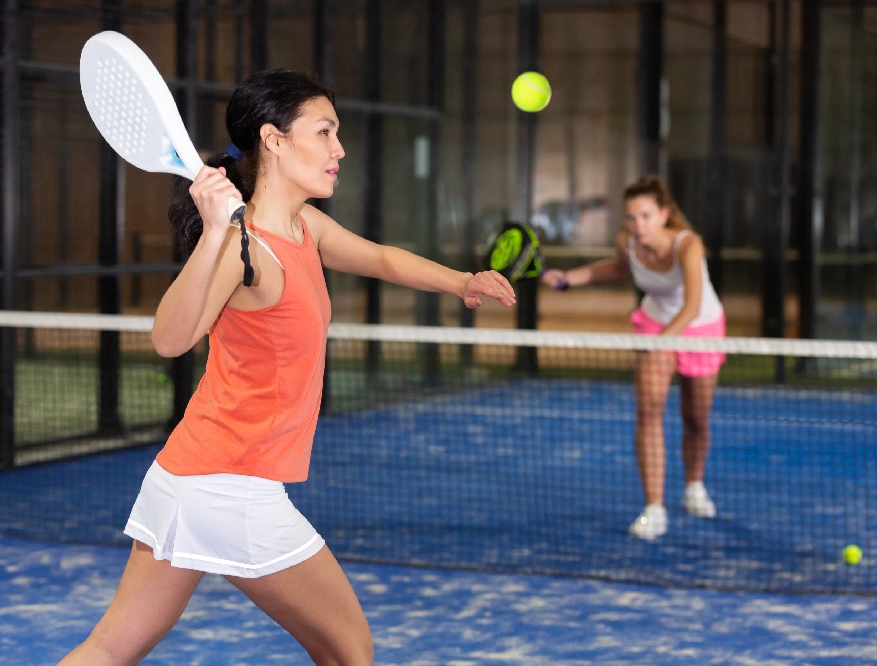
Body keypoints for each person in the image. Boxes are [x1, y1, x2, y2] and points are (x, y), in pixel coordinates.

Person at [59, 69, 515, 665]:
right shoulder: (243, 247)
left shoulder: (304, 227)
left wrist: (461, 281)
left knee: (112, 647)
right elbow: (170, 338)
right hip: (232, 485)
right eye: (324, 132)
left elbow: (380, 258)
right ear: (273, 140)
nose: (338, 149)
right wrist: (216, 233)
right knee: (350, 651)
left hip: (187, 477)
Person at [540, 174, 724, 540]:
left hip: (699, 325)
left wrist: (664, 344)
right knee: (648, 410)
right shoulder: (629, 242)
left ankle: (694, 485)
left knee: (696, 418)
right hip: (656, 322)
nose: (637, 225)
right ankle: (654, 507)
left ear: (664, 215)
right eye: (631, 217)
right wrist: (567, 279)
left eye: (645, 216)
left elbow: (690, 307)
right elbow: (615, 268)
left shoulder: (688, 246)